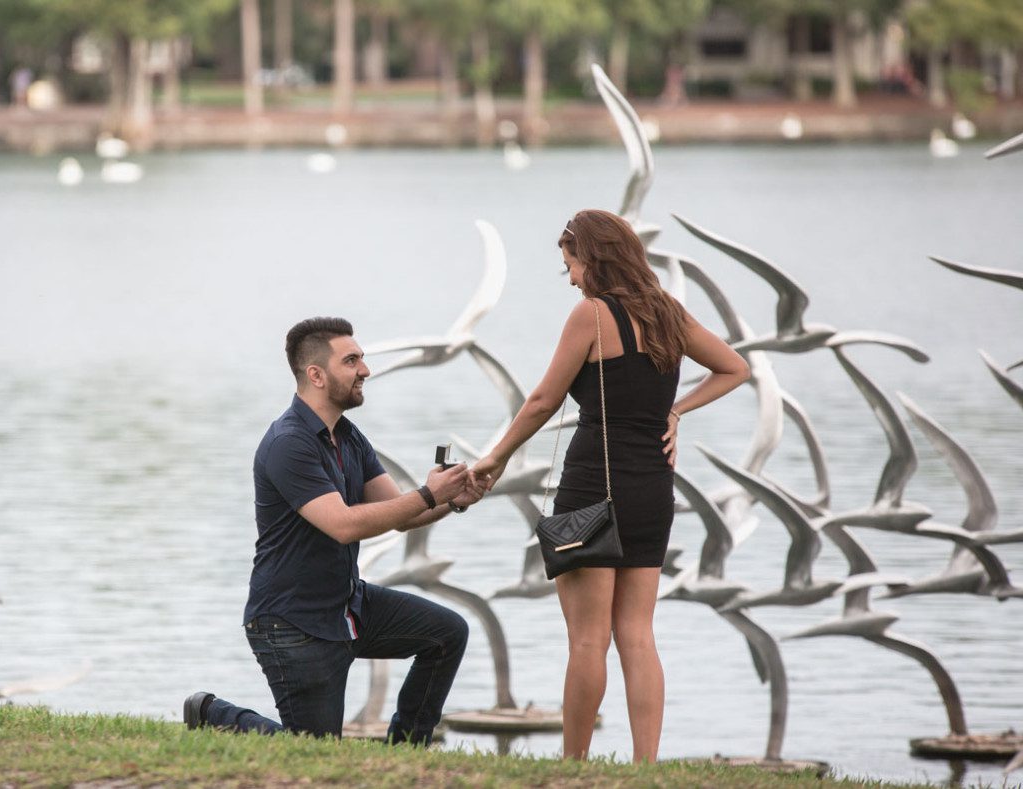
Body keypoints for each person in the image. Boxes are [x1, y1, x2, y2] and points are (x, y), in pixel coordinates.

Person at [472, 210, 749, 762]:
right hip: (651, 484)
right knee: (639, 635)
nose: (570, 277)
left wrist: (496, 459)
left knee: (587, 639)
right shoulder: (669, 312)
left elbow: (543, 401)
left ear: (592, 259)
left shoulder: (592, 315)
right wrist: (676, 411)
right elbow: (735, 368)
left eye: (570, 264)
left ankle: (574, 765)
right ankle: (646, 766)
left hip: (592, 484)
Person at [185, 316, 484, 745]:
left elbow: (397, 512)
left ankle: (406, 753)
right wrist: (429, 494)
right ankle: (212, 712)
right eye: (352, 361)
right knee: (318, 751)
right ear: (316, 375)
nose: (365, 370)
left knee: (447, 634)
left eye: (361, 359)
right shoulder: (289, 443)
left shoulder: (347, 435)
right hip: (292, 622)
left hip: (347, 605)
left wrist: (451, 498)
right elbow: (342, 525)